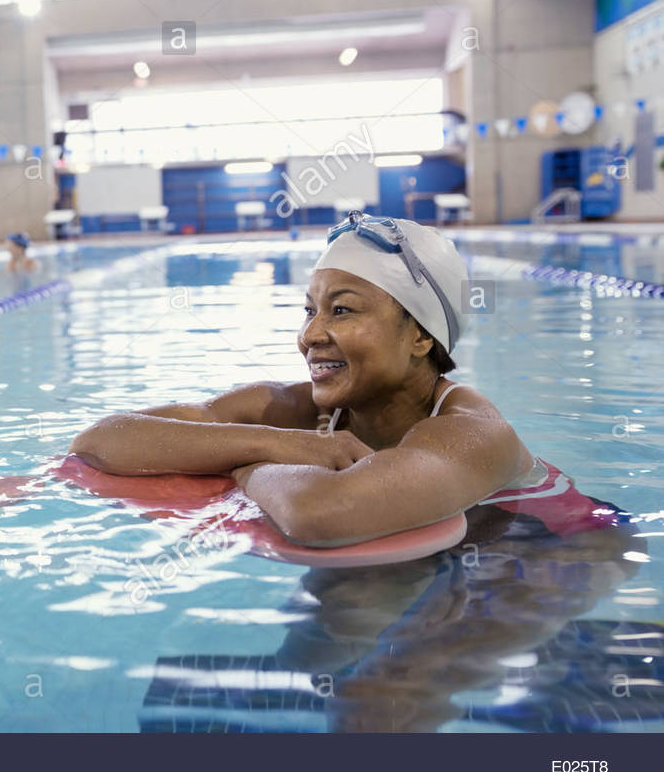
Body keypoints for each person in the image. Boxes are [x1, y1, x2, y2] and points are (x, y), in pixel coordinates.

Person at [70, 212, 535, 547]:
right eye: (310, 310)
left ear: (418, 335)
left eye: (342, 310)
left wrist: (238, 459)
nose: (310, 335)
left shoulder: (474, 432)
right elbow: (101, 439)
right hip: (410, 562)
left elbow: (319, 513)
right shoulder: (298, 412)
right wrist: (281, 443)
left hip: (533, 562)